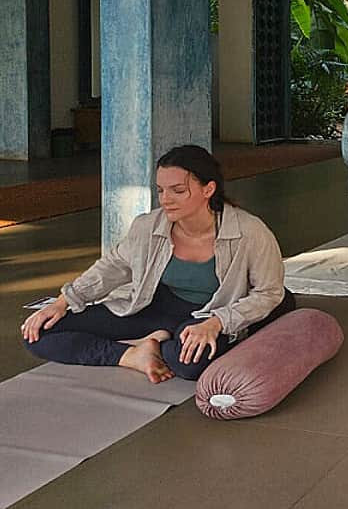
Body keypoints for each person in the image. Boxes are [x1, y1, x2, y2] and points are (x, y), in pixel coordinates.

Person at [21, 145, 291, 383]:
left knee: (189, 364)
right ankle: (134, 354)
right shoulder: (148, 226)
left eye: (178, 190)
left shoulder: (250, 231)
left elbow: (269, 293)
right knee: (40, 333)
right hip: (154, 307)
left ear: (208, 189)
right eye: (160, 190)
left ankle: (158, 343)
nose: (165, 199)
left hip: (207, 314)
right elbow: (113, 266)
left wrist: (218, 322)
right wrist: (63, 301)